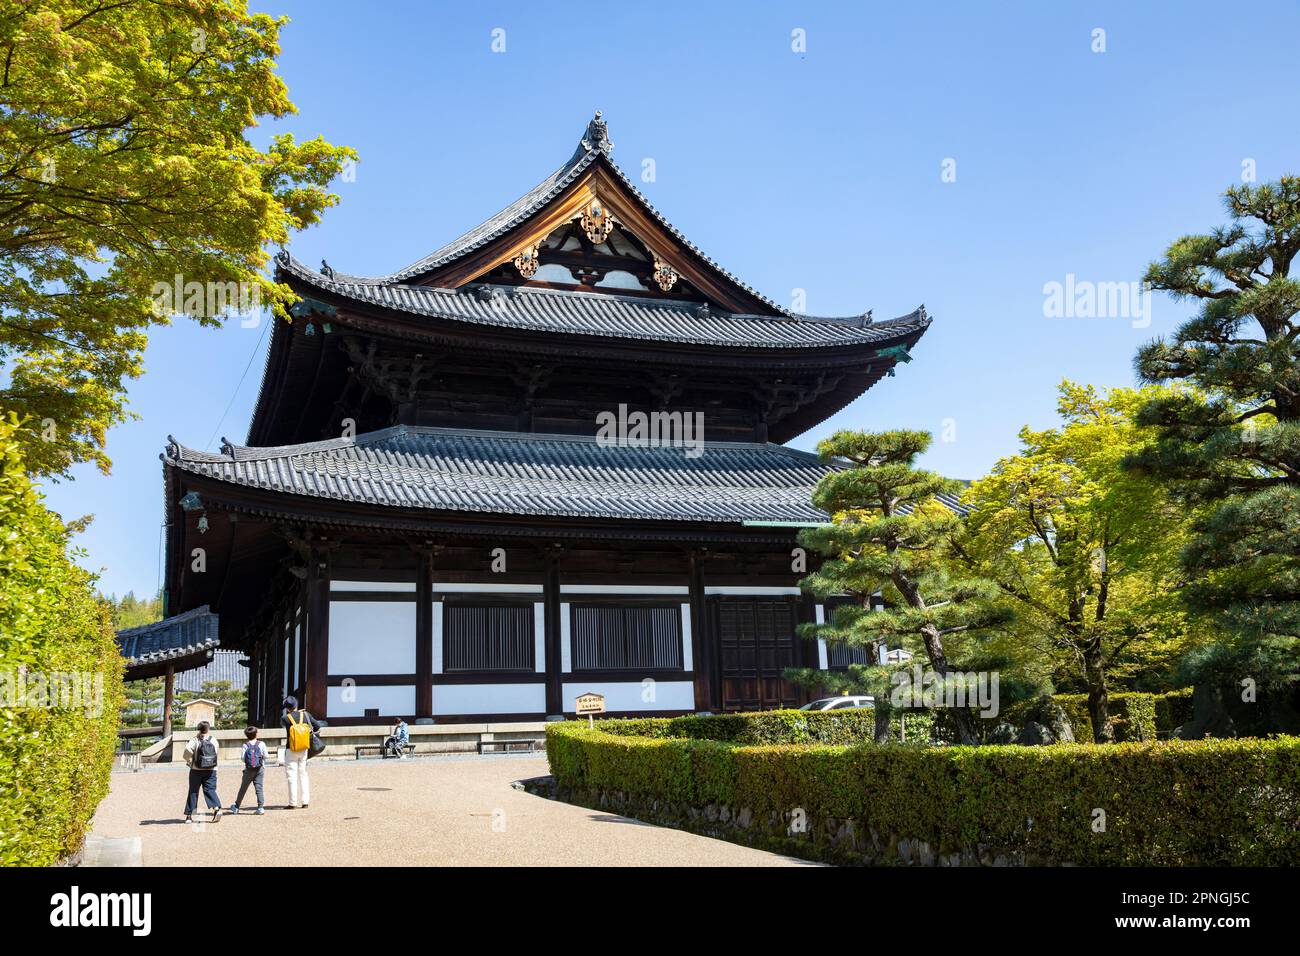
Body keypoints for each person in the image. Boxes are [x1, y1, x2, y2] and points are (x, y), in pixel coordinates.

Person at [279, 696, 320, 809]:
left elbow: (282, 723)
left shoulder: (285, 719)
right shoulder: (306, 715)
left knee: (291, 776)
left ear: (287, 708)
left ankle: (292, 803)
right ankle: (305, 801)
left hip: (291, 748)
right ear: (296, 705)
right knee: (303, 774)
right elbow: (317, 726)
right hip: (304, 748)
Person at [183, 720, 222, 823]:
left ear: (199, 729)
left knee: (193, 791)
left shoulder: (195, 740)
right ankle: (216, 808)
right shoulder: (213, 740)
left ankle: (189, 816)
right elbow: (216, 753)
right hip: (211, 769)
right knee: (210, 789)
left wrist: (189, 761)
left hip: (196, 769)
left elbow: (187, 751)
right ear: (208, 728)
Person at [229, 726, 268, 815]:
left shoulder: (245, 745)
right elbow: (266, 756)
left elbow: (243, 758)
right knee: (259, 787)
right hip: (260, 768)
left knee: (243, 788)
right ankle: (261, 807)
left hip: (249, 769)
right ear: (256, 734)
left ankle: (236, 806)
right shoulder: (261, 744)